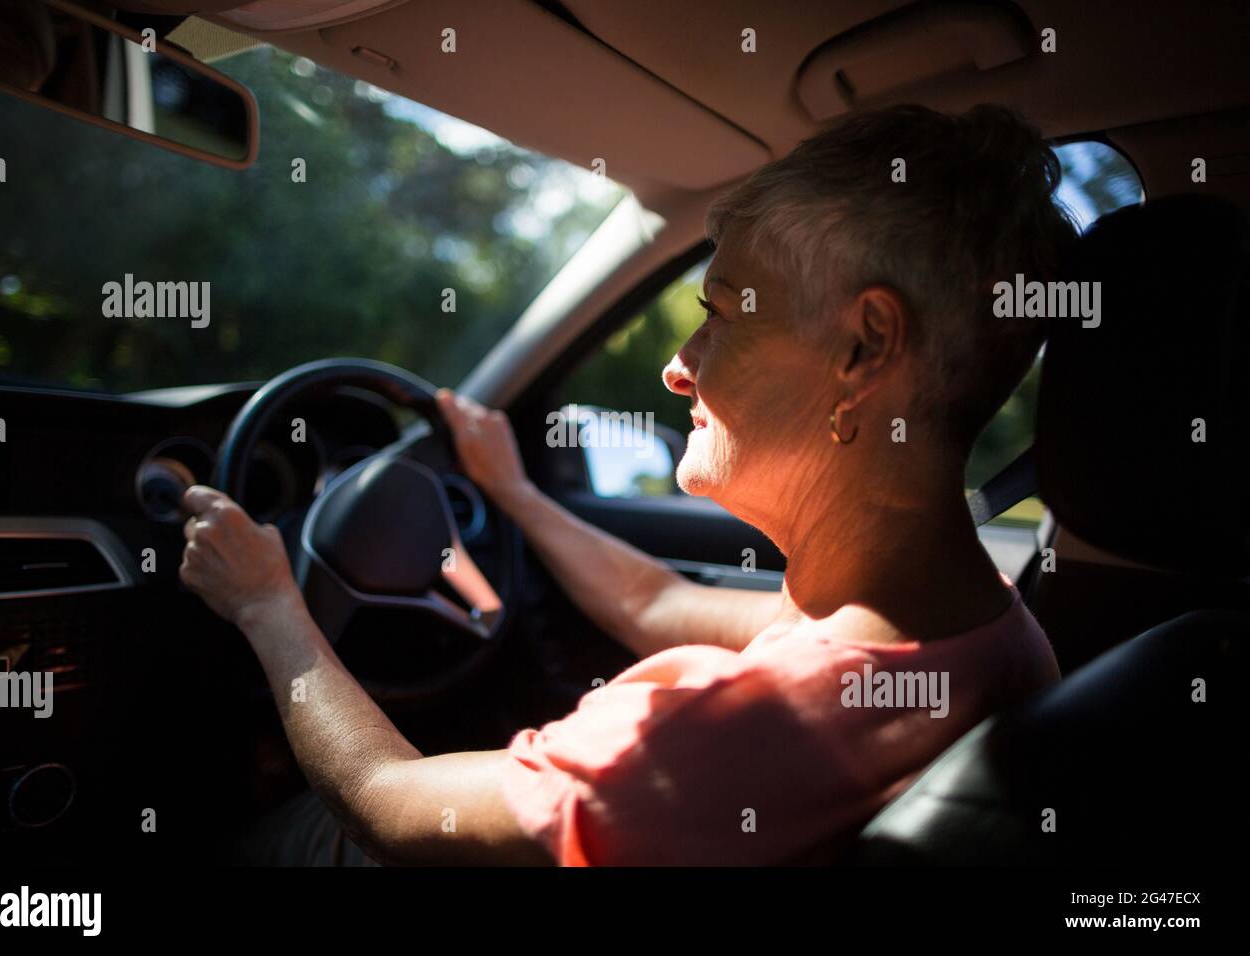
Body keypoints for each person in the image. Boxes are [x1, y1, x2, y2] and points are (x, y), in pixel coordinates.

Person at [180, 103, 1070, 866]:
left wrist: (267, 604)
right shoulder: (974, 621)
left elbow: (383, 802)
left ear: (863, 350)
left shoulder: (726, 738)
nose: (678, 369)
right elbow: (655, 601)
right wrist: (518, 492)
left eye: (720, 314)